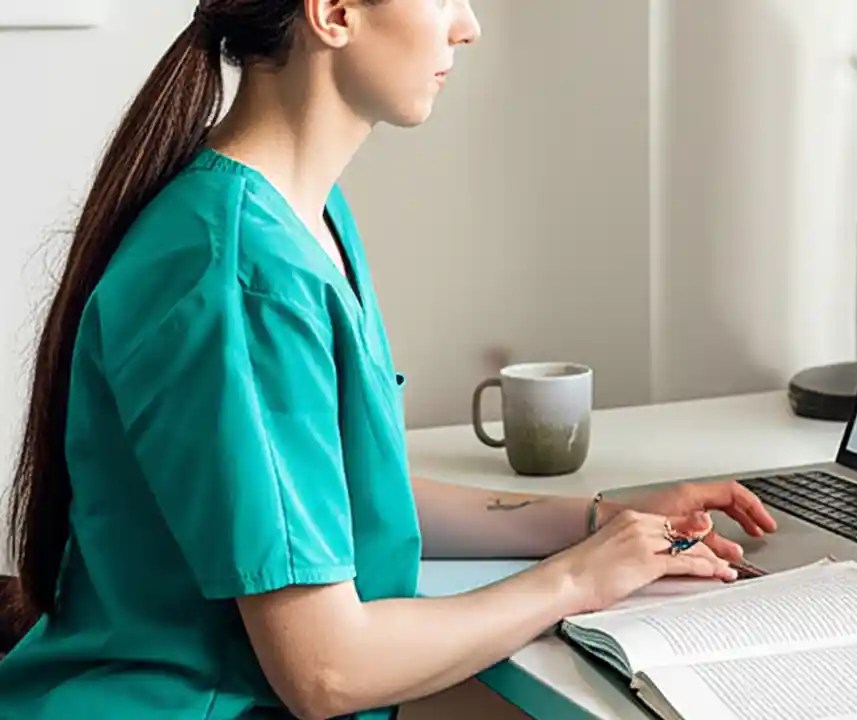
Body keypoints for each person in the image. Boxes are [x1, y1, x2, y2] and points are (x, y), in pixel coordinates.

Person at [0, 2, 777, 718]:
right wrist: (578, 579)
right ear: (334, 13)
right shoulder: (242, 275)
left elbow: (350, 495)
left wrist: (597, 522)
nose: (467, 26)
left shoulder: (305, 215)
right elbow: (324, 671)